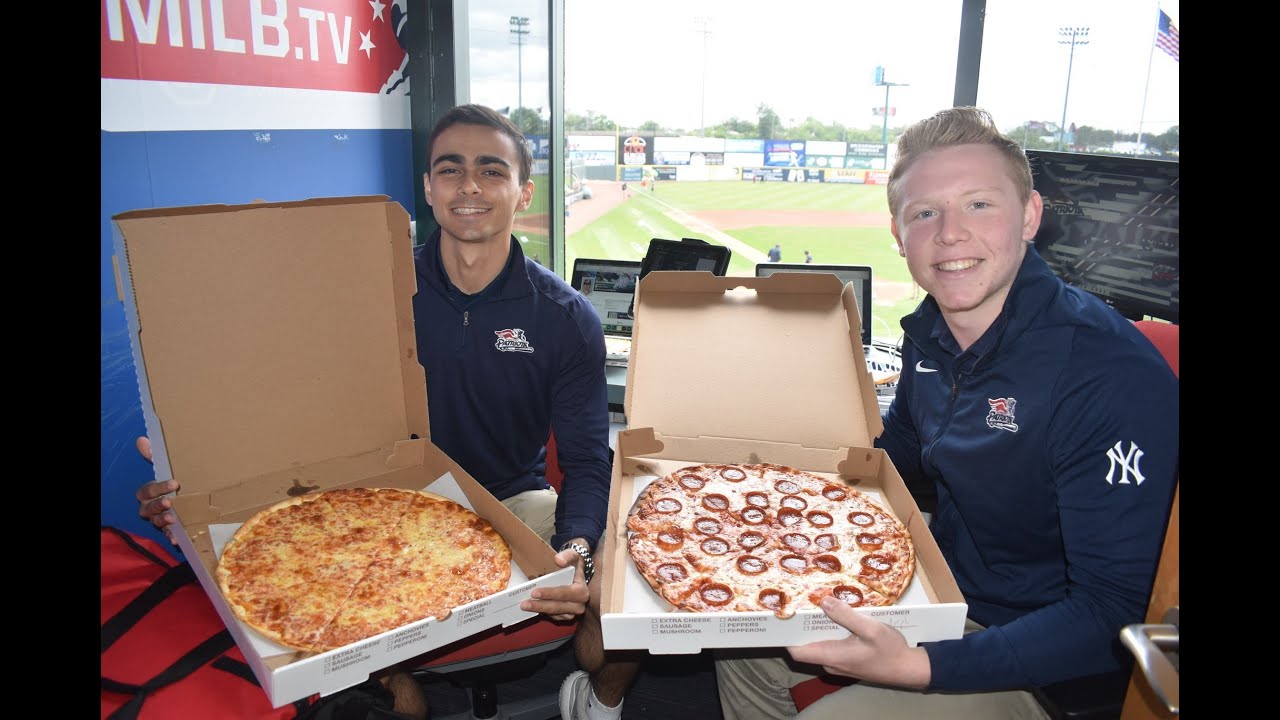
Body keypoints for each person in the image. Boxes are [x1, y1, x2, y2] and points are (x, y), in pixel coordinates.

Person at [136, 104, 642, 720]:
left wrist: (579, 549)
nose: (470, 187)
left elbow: (589, 457)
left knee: (631, 565)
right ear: (428, 189)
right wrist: (192, 477)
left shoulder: (564, 318)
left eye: (491, 170)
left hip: (510, 503)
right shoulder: (365, 291)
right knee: (363, 671)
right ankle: (396, 686)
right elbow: (280, 408)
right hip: (376, 517)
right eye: (450, 170)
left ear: (522, 191)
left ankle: (598, 697)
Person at [715, 106, 1178, 719]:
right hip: (942, 598)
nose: (950, 232)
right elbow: (901, 461)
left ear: (1031, 216)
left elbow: (1114, 609)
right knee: (735, 632)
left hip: (1054, 664)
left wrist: (923, 666)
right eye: (925, 212)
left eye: (979, 204)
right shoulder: (930, 333)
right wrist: (768, 483)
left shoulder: (1106, 373)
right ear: (898, 234)